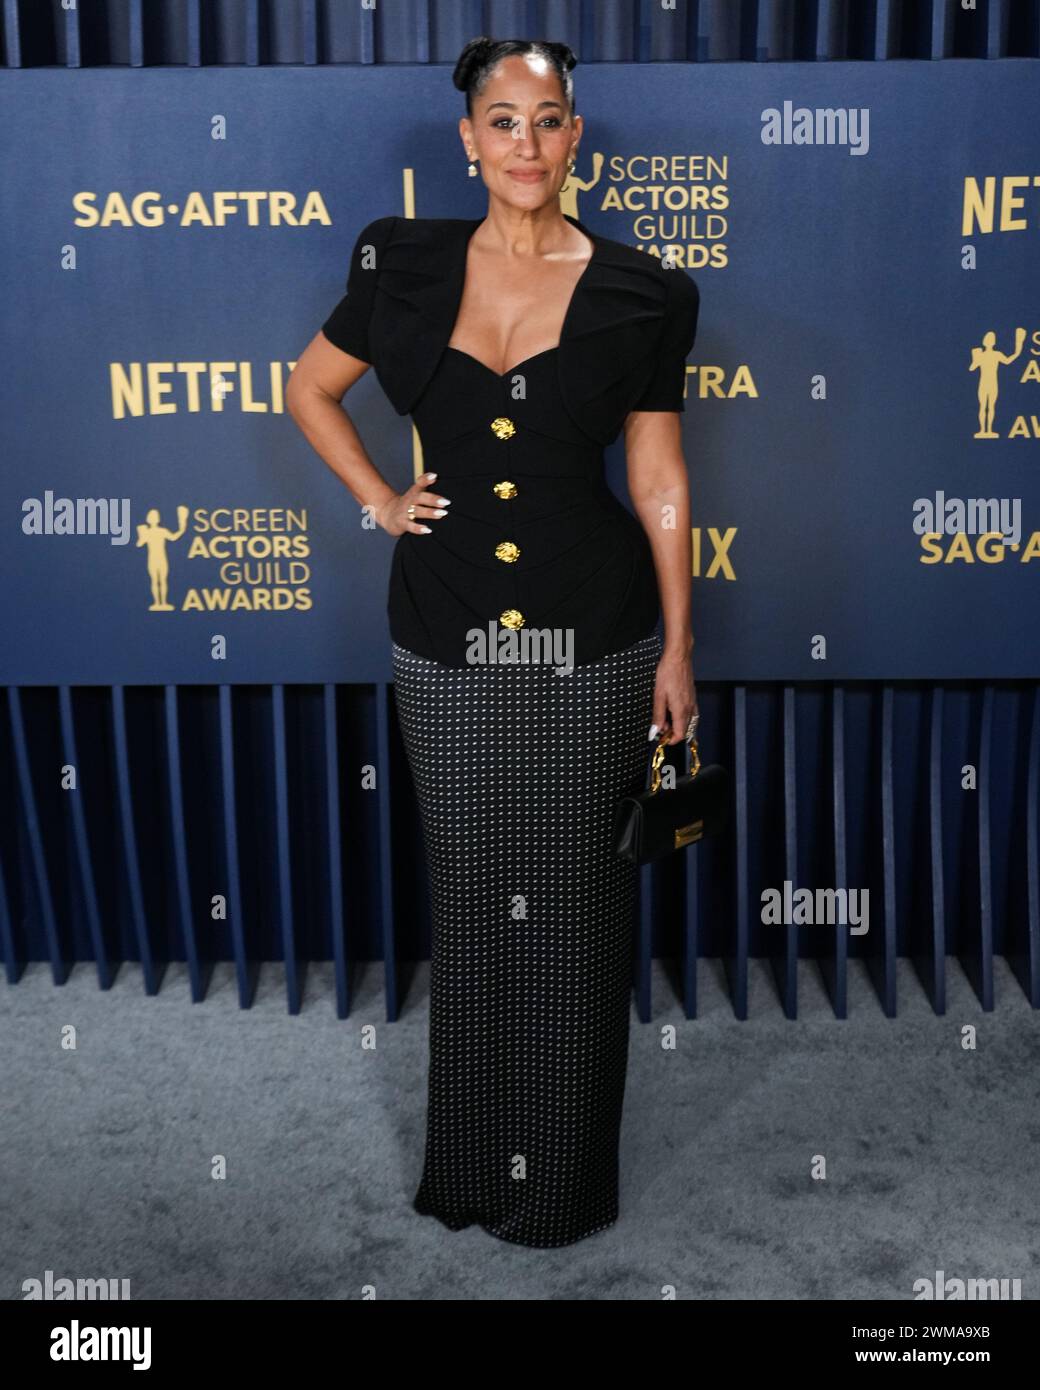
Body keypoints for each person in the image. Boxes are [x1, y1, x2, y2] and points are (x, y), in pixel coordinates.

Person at [287, 35, 701, 1248]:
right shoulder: (400, 263)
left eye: (551, 118)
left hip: (596, 634)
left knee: (575, 915)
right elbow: (307, 388)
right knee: (473, 904)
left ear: (578, 138)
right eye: (504, 121)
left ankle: (560, 1188)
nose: (528, 142)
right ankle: (470, 1174)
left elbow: (660, 471)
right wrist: (379, 499)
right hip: (445, 634)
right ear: (467, 141)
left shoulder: (644, 291)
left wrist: (678, 646)